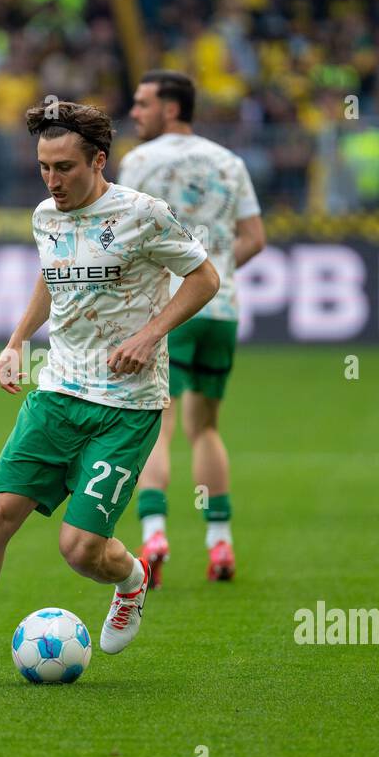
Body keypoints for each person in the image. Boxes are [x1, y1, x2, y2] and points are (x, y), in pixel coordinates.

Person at [0, 100, 219, 686]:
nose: (52, 180)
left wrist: (150, 334)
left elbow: (205, 278)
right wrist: (17, 340)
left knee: (79, 550)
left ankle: (130, 578)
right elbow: (52, 271)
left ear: (98, 160)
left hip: (126, 406)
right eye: (44, 166)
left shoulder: (145, 215)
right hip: (57, 393)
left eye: (64, 167)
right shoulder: (46, 216)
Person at [116, 70, 264, 585]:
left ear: (171, 109)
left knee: (159, 425)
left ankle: (154, 532)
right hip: (220, 311)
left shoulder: (138, 162)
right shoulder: (230, 161)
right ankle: (220, 544)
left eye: (142, 104)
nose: (134, 113)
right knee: (207, 429)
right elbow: (255, 237)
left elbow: (121, 237)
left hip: (166, 316)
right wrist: (211, 272)